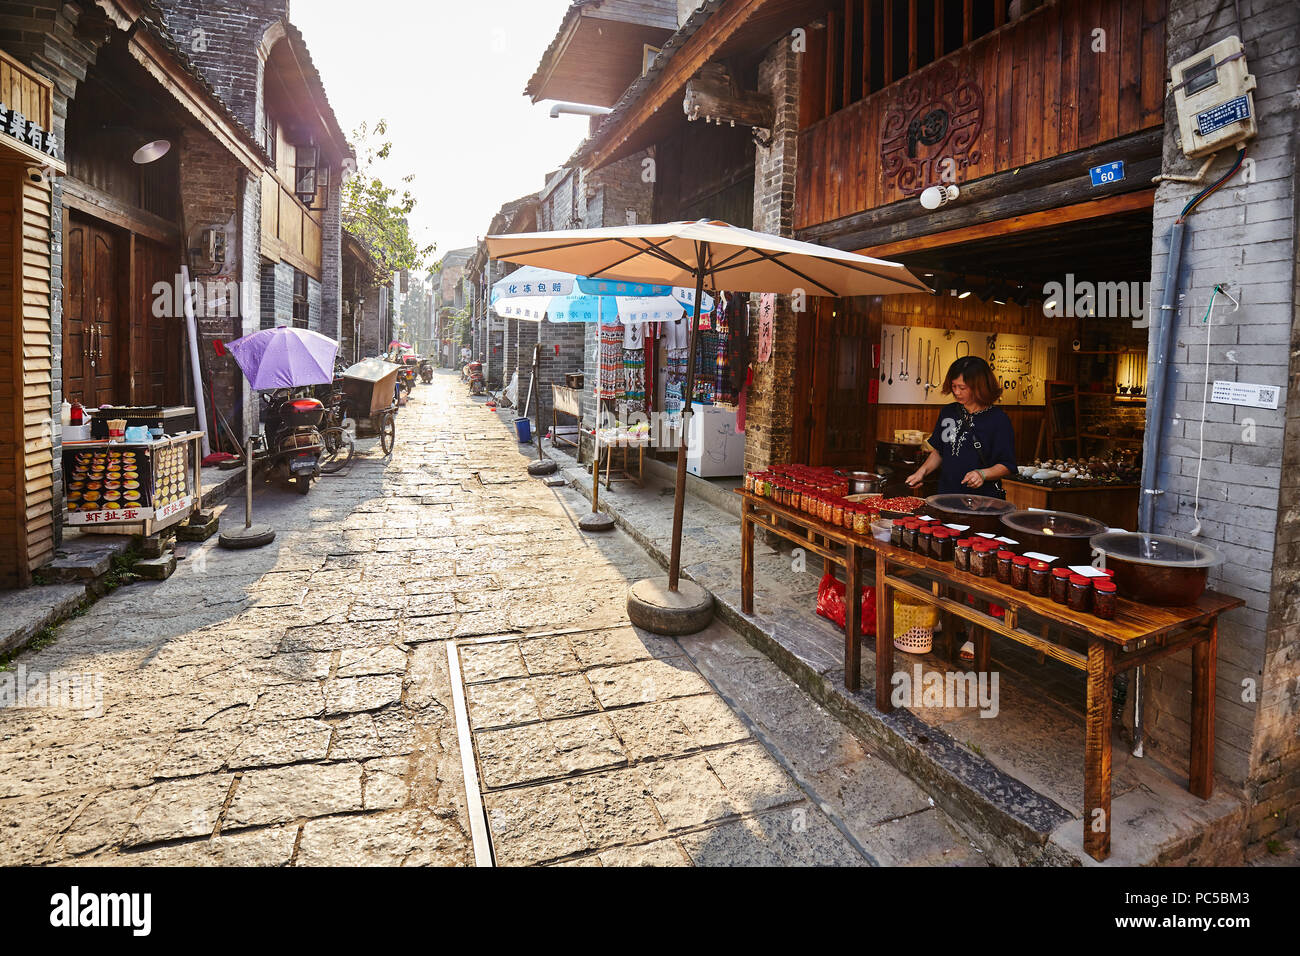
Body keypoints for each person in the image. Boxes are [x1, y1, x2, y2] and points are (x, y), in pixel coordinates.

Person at [905, 355, 1016, 498]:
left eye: (962, 387)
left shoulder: (998, 420)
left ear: (980, 387)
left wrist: (982, 474)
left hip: (981, 500)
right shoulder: (948, 412)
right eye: (953, 386)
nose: (956, 392)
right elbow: (940, 451)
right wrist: (922, 472)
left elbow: (1007, 465)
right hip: (946, 496)